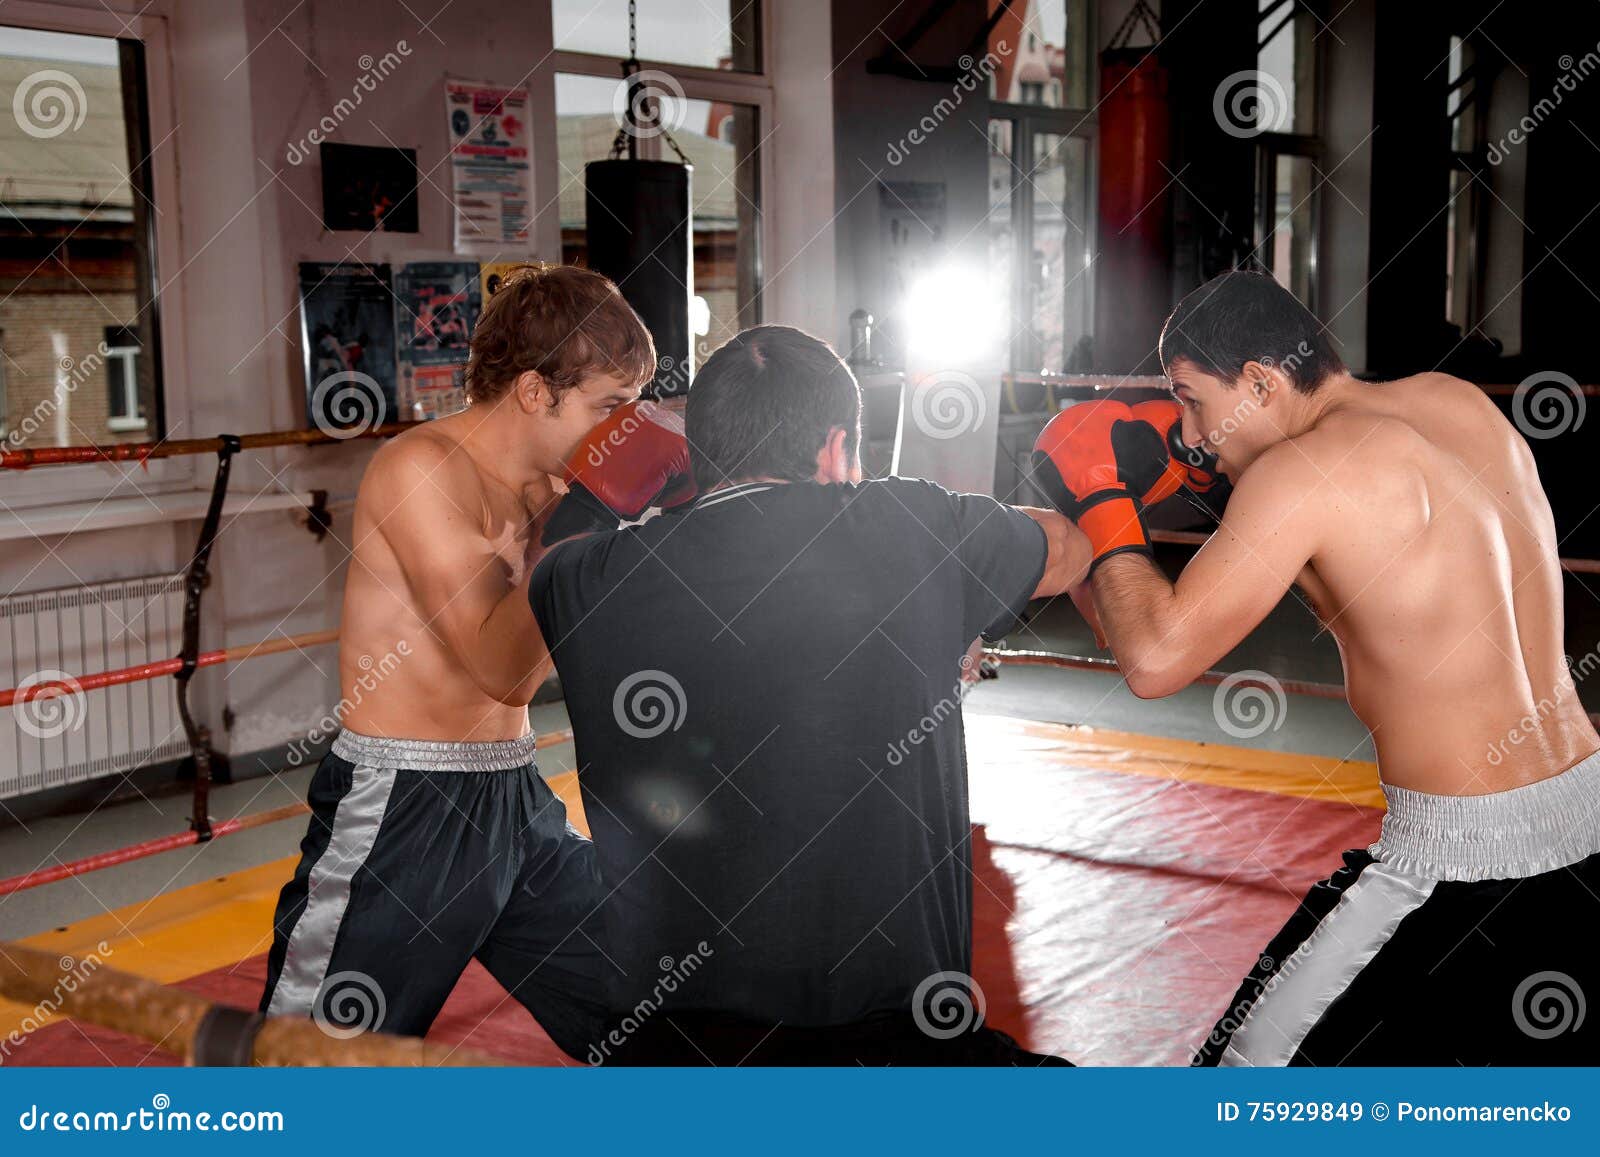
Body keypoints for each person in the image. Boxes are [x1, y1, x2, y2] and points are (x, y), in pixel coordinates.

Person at [1032, 270, 1600, 1065]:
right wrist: (1120, 537)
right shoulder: (1453, 401)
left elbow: (1154, 661)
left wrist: (1098, 493)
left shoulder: (1298, 476)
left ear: (1260, 381)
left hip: (1457, 861)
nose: (1191, 434)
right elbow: (1142, 629)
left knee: (1234, 1092)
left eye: (1193, 399)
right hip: (1585, 824)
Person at [528, 325, 1090, 1065]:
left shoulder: (593, 579)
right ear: (834, 448)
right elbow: (1069, 547)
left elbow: (545, 559)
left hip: (668, 1052)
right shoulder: (912, 526)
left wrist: (610, 478)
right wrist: (951, 605)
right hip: (890, 1046)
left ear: (700, 454)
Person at [261, 265, 683, 1059]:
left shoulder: (556, 488)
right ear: (533, 391)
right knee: (310, 1066)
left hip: (514, 799)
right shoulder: (423, 471)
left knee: (656, 1006)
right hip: (401, 812)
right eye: (608, 406)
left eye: (635, 408)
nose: (625, 429)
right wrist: (582, 530)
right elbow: (501, 666)